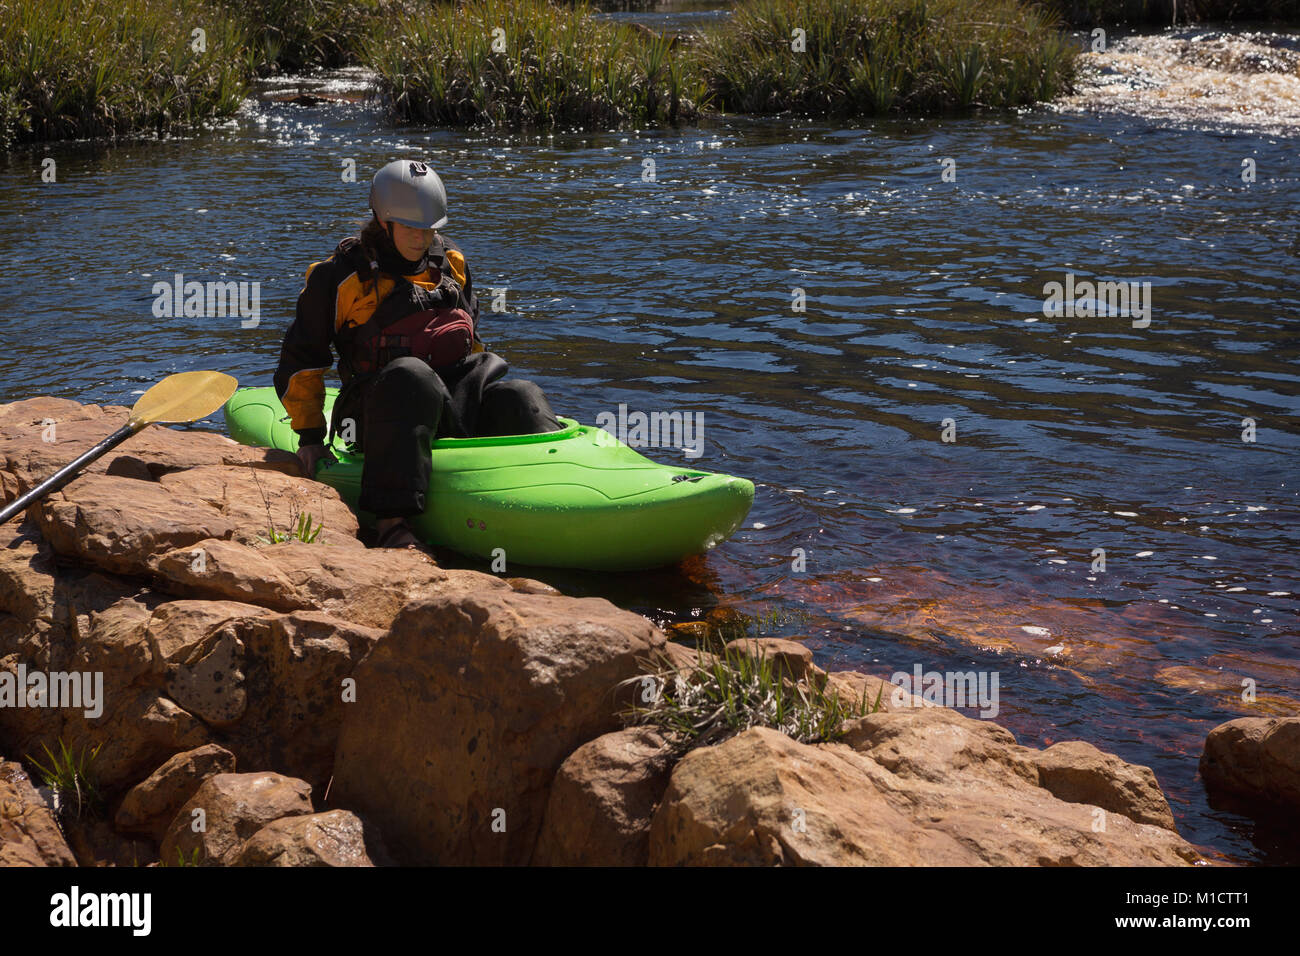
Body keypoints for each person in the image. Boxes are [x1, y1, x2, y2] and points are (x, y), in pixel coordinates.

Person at [273, 159, 562, 551]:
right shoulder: (341, 276)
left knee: (521, 394)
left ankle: (559, 488)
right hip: (377, 415)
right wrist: (309, 437)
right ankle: (392, 522)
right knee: (412, 375)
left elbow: (470, 341)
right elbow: (302, 357)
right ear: (383, 221)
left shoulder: (451, 264)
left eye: (429, 228)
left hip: (448, 404)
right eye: (410, 226)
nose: (421, 238)